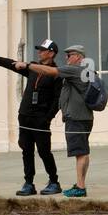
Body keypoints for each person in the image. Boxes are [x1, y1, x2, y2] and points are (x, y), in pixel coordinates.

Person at [0, 40, 63, 196]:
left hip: (40, 119)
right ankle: (29, 183)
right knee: (26, 151)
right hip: (25, 117)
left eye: (42, 50)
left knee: (44, 151)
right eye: (39, 49)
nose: (39, 52)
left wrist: (47, 118)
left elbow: (58, 100)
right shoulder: (32, 68)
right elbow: (12, 64)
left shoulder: (55, 73)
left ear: (51, 53)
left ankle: (54, 182)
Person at [26, 44, 94, 198]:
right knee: (83, 152)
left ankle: (80, 187)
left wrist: (28, 65)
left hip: (76, 118)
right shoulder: (87, 71)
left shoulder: (76, 69)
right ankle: (80, 184)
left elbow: (50, 71)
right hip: (84, 117)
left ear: (78, 57)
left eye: (69, 55)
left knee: (80, 153)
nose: (66, 58)